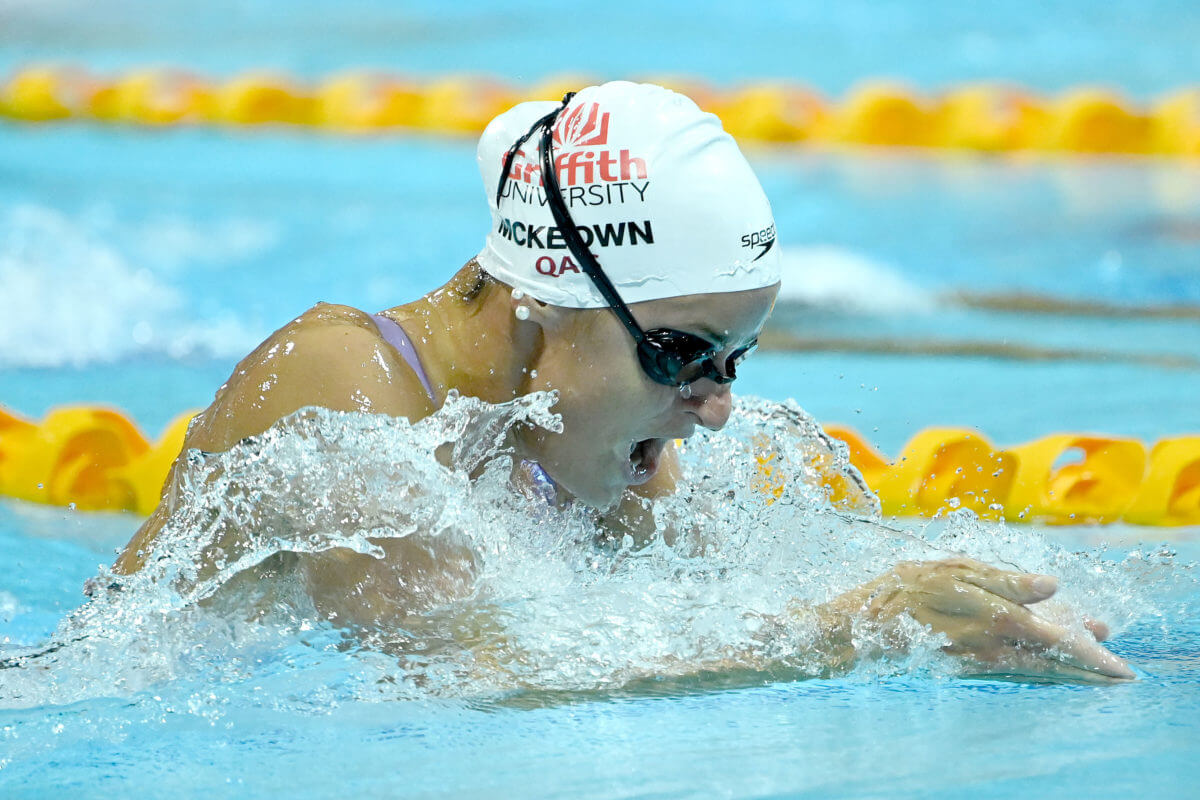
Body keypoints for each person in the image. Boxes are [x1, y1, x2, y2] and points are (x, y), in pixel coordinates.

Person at [114, 82, 1133, 682]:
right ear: (545, 303)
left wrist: (979, 609)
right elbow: (472, 672)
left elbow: (699, 606)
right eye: (682, 354)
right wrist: (853, 628)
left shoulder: (591, 441)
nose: (718, 406)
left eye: (734, 359)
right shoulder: (345, 384)